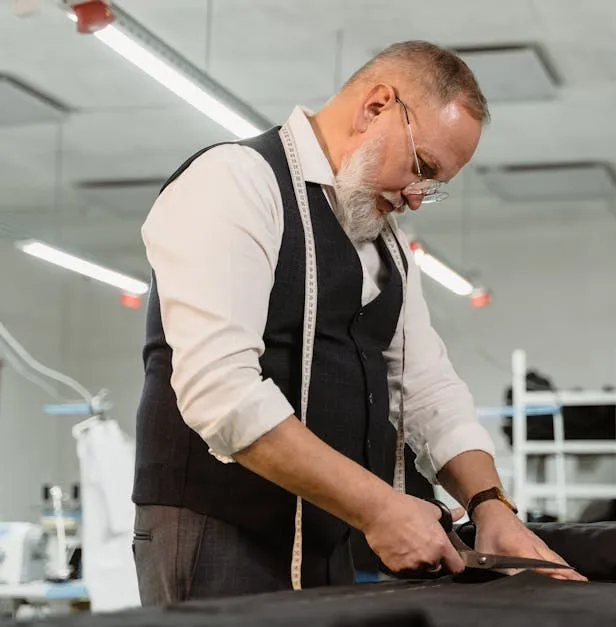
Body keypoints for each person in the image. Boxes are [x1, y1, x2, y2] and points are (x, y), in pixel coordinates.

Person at [131, 40, 584, 605]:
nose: (417, 197)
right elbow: (222, 393)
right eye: (421, 168)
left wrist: (490, 505)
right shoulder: (235, 181)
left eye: (434, 185)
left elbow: (427, 389)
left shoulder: (385, 245)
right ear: (375, 106)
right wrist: (379, 507)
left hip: (330, 535)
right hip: (215, 530)